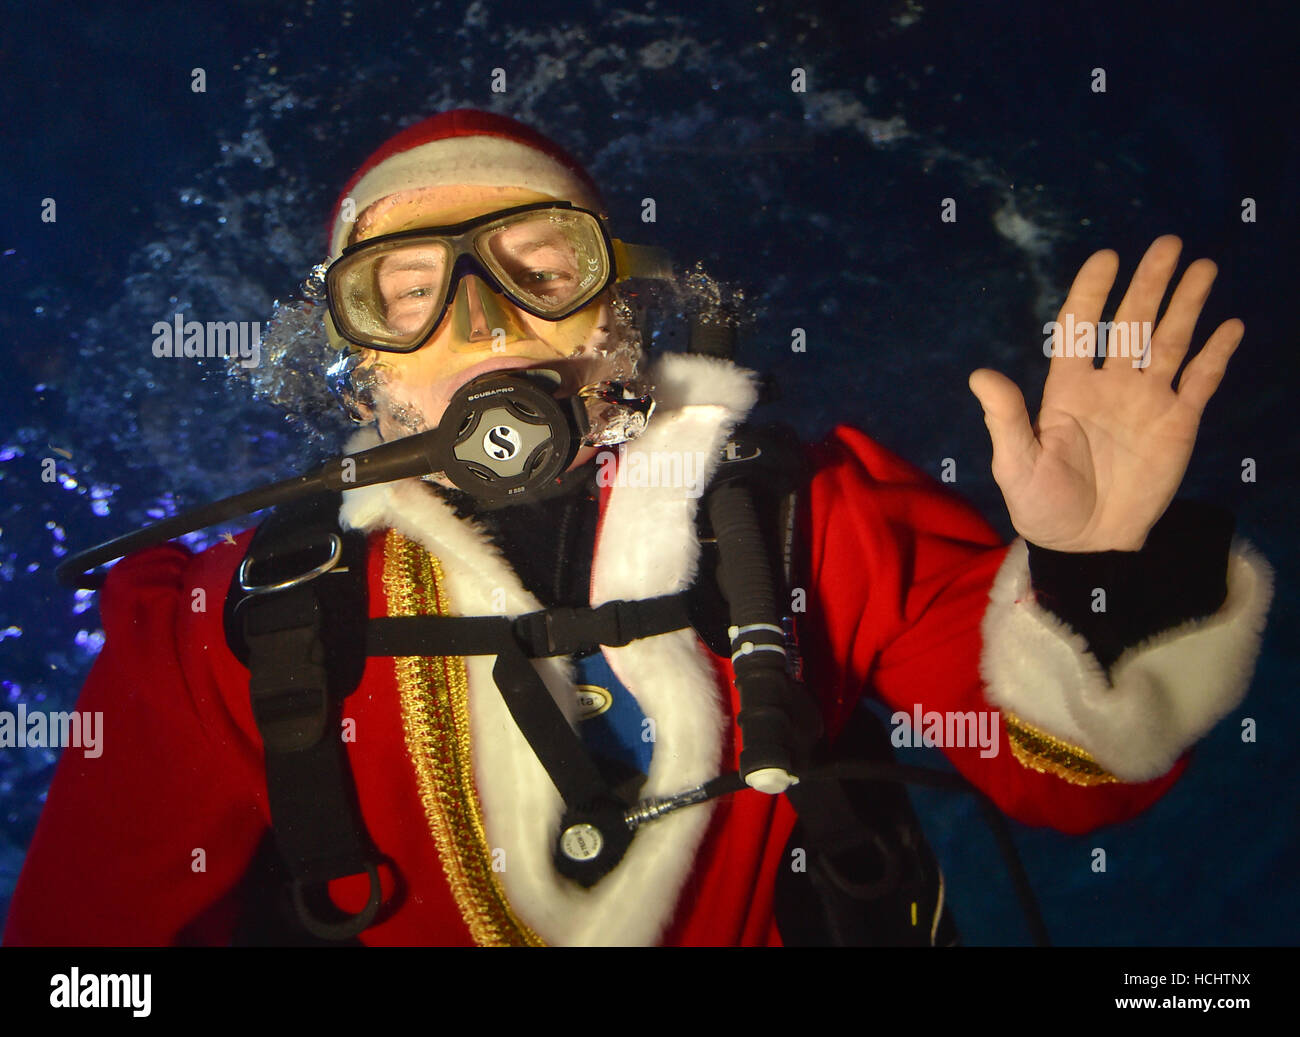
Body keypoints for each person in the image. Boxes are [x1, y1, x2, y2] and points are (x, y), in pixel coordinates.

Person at [3, 109, 1273, 947]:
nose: (488, 321)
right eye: (409, 291)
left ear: (620, 306)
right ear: (360, 368)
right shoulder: (226, 625)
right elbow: (80, 964)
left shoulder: (811, 515)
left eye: (537, 266)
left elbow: (1074, 777)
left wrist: (1091, 573)